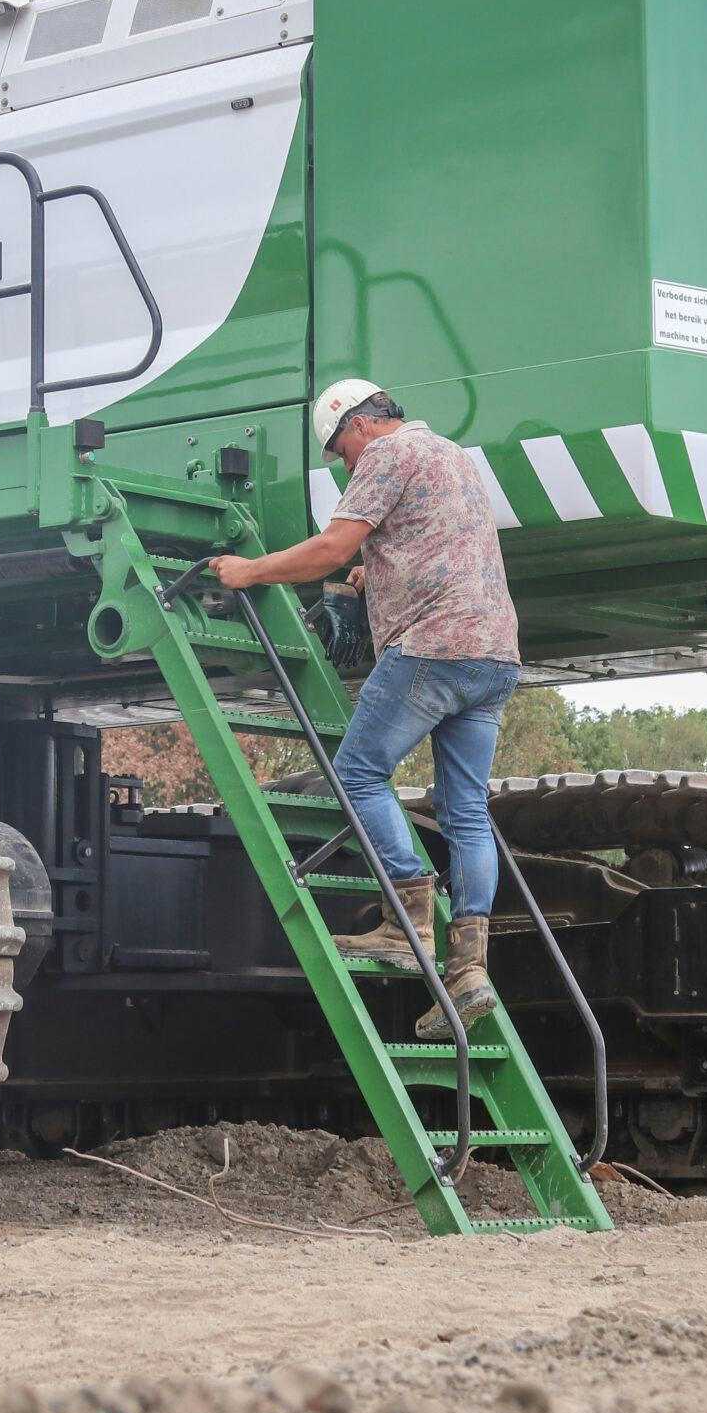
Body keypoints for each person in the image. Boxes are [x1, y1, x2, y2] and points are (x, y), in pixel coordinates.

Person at [211, 378, 520, 1041]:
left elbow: (331, 547)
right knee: (464, 807)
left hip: (432, 647)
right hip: (494, 655)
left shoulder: (384, 456)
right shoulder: (454, 455)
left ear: (358, 425)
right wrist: (372, 575)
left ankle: (405, 926)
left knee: (356, 773)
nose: (345, 465)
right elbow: (435, 542)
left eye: (339, 451)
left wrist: (250, 571)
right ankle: (469, 971)